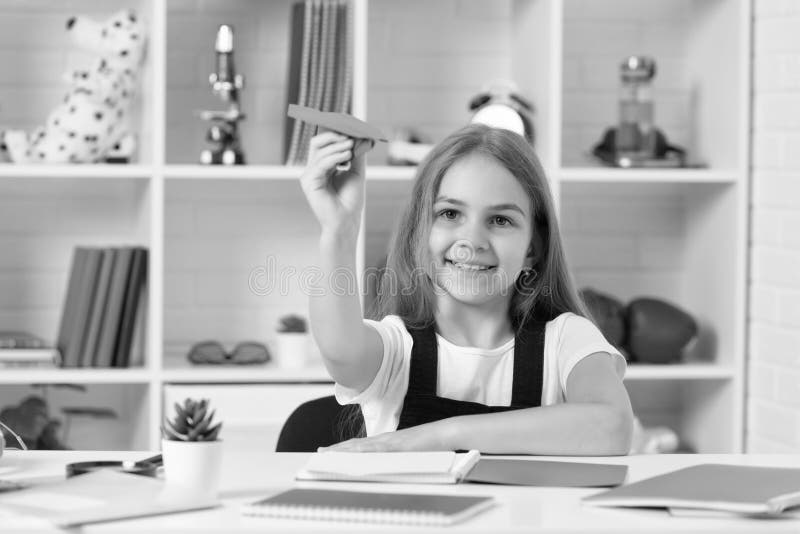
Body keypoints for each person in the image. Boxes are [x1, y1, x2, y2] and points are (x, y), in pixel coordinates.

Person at [299, 124, 633, 455]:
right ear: (420, 234)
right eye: (450, 213)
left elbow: (612, 426)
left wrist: (443, 436)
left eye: (500, 220)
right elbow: (340, 351)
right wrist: (339, 230)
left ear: (533, 248)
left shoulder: (566, 341)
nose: (472, 242)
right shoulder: (397, 348)